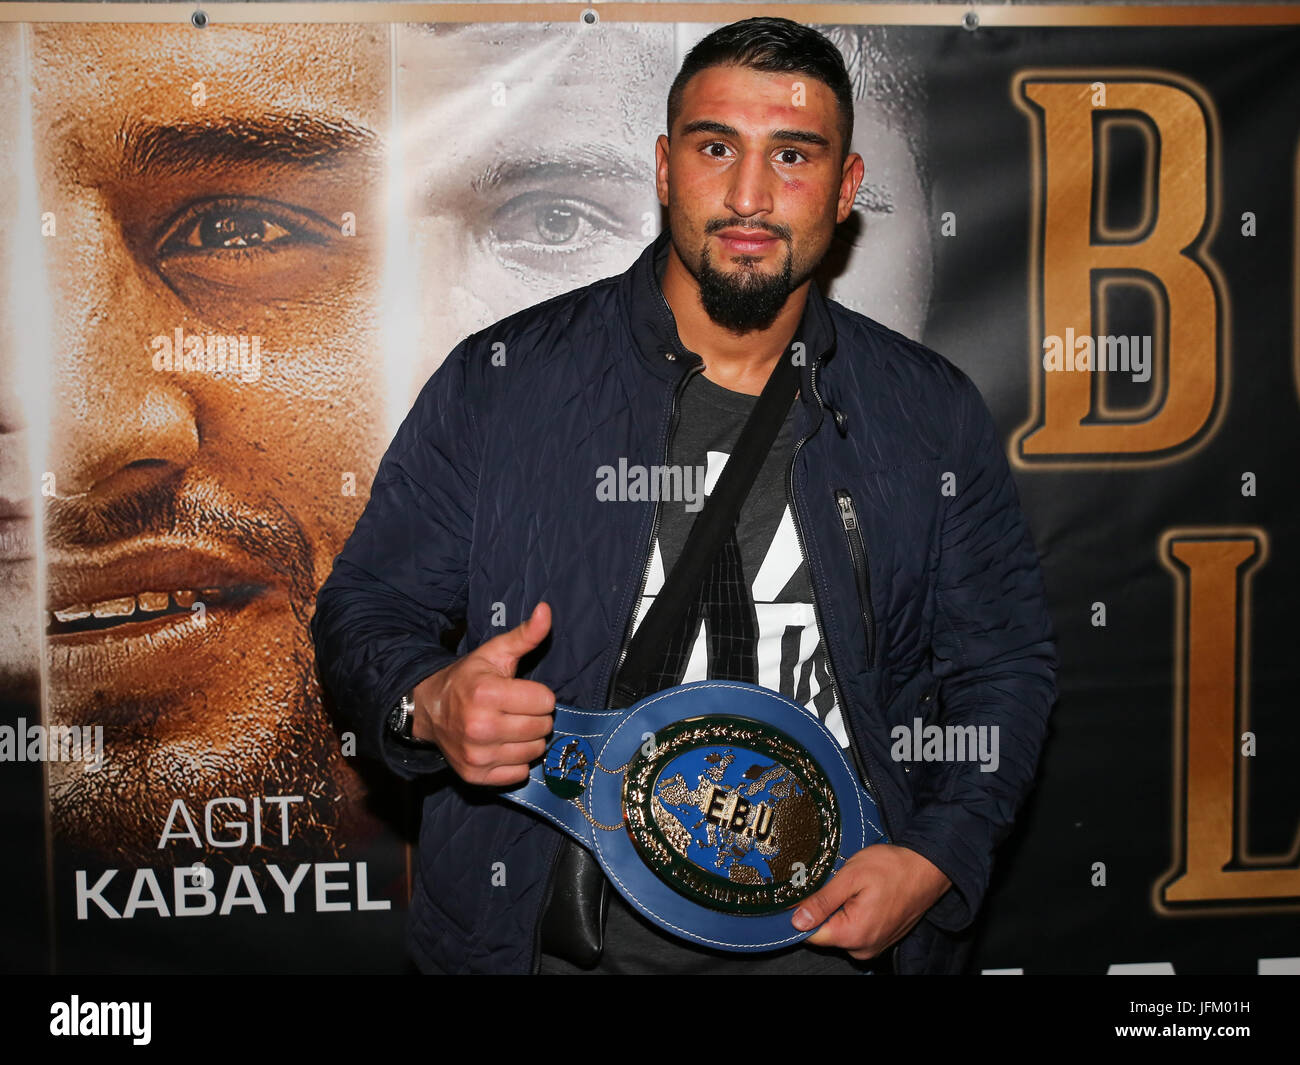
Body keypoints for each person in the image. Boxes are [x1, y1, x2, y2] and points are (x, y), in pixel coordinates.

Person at [312, 16, 1057, 975]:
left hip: (839, 951)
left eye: (792, 155)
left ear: (846, 187)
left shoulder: (925, 411)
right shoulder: (506, 381)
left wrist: (932, 856)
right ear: (665, 170)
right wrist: (428, 698)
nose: (749, 196)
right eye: (716, 148)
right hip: (560, 949)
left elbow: (1004, 667)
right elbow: (366, 608)